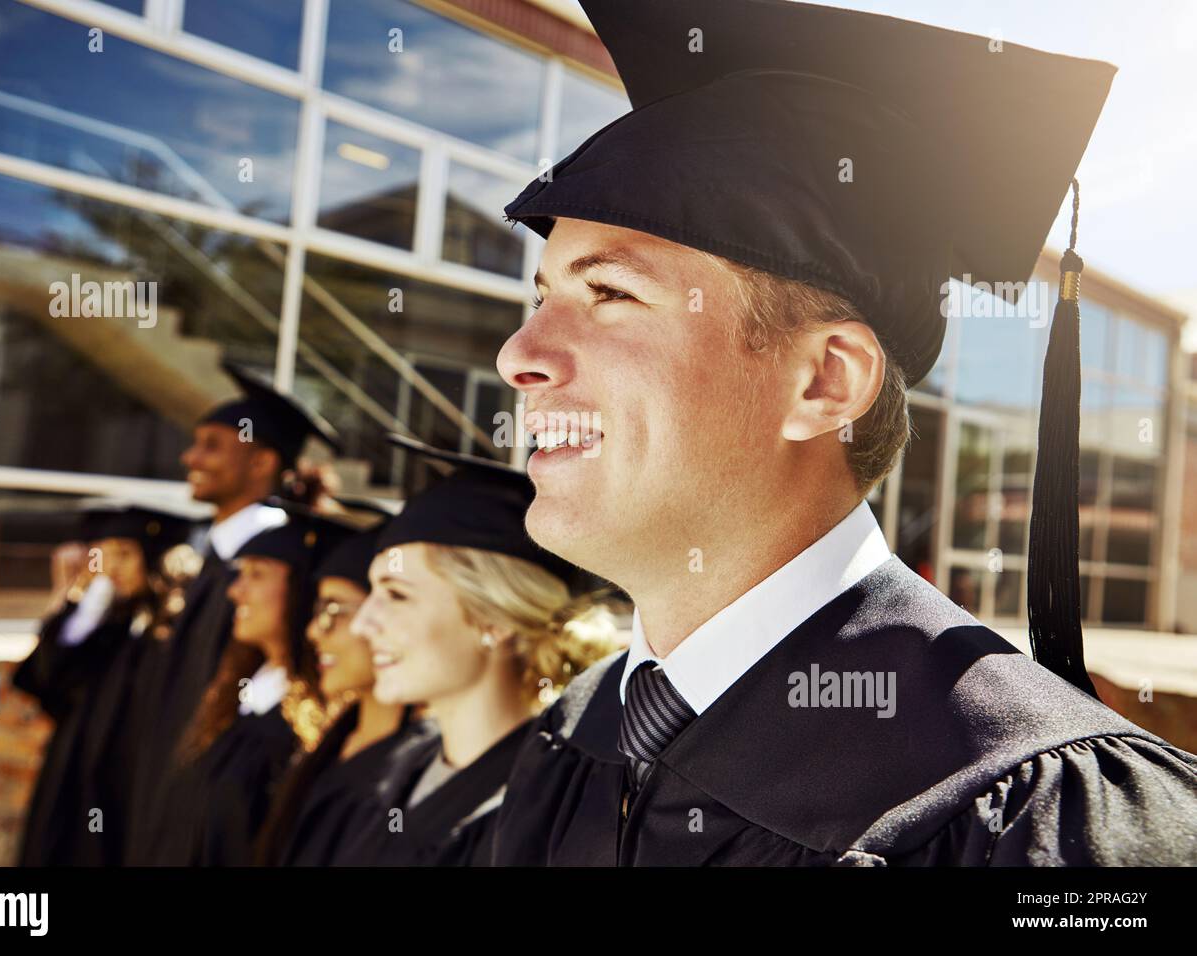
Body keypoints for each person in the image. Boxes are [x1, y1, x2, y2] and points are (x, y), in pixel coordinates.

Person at [490, 0, 1197, 865]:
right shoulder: (574, 734)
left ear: (826, 382)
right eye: (540, 298)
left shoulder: (1043, 821)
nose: (517, 355)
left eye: (610, 296)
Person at [313, 436, 618, 866]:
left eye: (397, 595)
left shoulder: (550, 812)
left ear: (495, 619)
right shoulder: (400, 771)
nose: (364, 624)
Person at [124, 360, 341, 862]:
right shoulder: (215, 563)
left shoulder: (283, 576)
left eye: (212, 445)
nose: (190, 456)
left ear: (263, 463)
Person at [148, 510, 345, 866]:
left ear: (302, 591)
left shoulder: (309, 728)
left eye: (256, 575)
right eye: (240, 574)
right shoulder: (238, 695)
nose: (236, 591)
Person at [14, 502, 194, 866]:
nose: (111, 567)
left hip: (121, 797)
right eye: (105, 555)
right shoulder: (111, 627)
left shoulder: (169, 638)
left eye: (125, 554)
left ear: (157, 557)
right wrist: (70, 598)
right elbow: (45, 680)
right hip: (72, 785)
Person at [255, 519, 417, 866]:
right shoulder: (333, 739)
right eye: (318, 611)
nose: (314, 631)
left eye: (334, 610)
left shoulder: (410, 774)